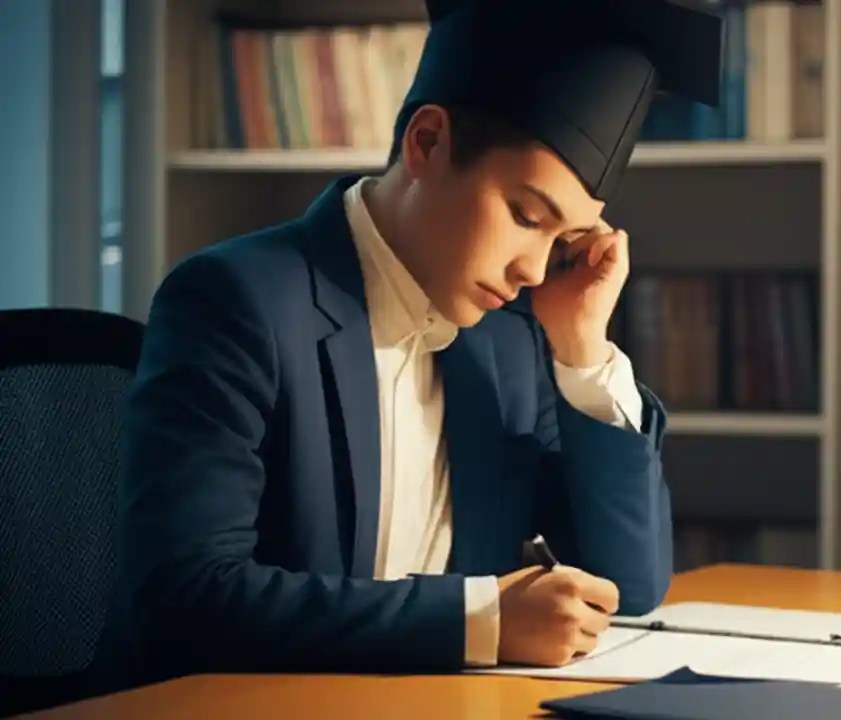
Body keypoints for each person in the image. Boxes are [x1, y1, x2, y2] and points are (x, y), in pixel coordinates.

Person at [117, 0, 723, 678]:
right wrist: (478, 620)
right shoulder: (237, 301)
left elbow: (628, 585)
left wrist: (582, 350)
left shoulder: (513, 335)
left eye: (564, 240)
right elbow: (187, 597)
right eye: (527, 216)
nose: (532, 269)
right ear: (427, 143)